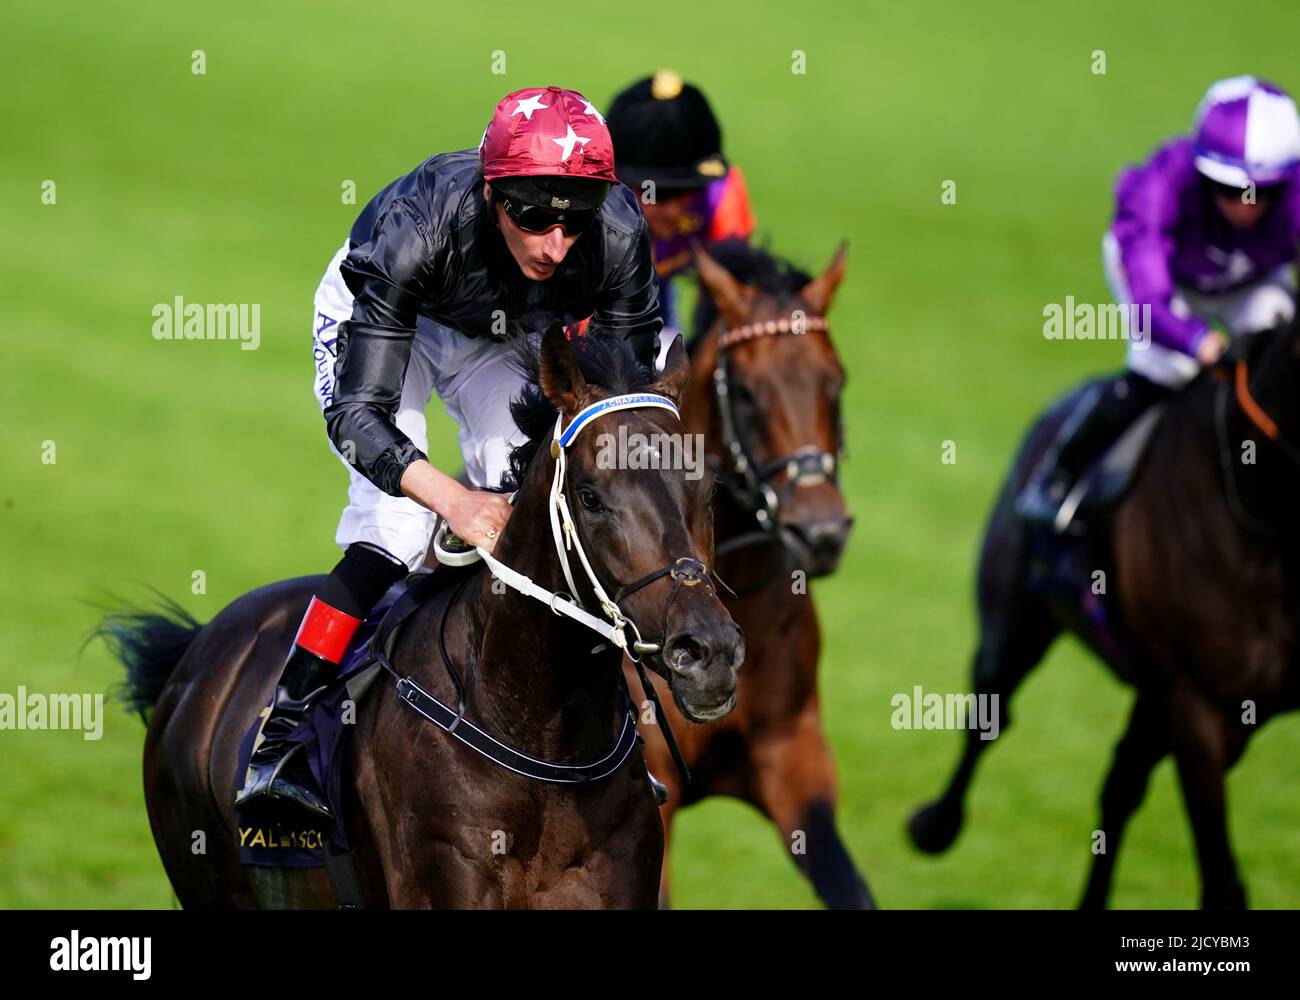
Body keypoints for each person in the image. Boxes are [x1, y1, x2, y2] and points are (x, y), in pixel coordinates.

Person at [236, 86, 662, 819]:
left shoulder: (619, 233)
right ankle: (283, 738)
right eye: (532, 217)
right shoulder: (414, 230)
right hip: (387, 320)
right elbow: (358, 416)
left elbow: (624, 405)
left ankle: (592, 731)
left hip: (495, 333)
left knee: (533, 504)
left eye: (574, 222)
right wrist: (453, 499)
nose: (554, 246)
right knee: (397, 530)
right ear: (494, 193)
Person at [1019, 76, 1300, 527]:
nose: (1246, 207)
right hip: (1162, 277)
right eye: (1229, 190)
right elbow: (1151, 303)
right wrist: (1200, 341)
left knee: (1277, 338)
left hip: (1247, 276)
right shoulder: (1159, 189)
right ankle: (1056, 478)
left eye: (1263, 193)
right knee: (1168, 367)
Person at [606, 70, 755, 341]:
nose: (675, 211)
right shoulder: (589, 202)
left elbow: (729, 303)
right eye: (659, 194)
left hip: (656, 292)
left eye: (689, 191)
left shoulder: (722, 197)